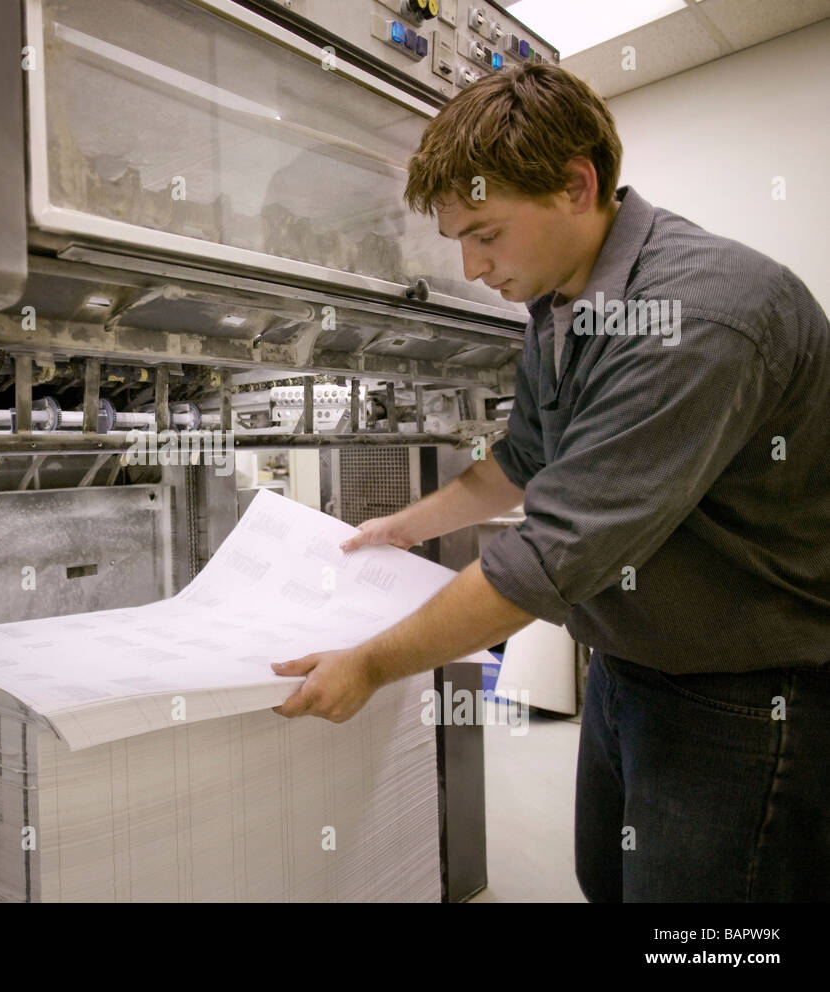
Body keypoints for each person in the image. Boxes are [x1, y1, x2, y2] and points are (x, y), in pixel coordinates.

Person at [271, 63, 830, 902]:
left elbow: (553, 556)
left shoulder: (698, 315)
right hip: (629, 663)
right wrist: (404, 528)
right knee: (609, 882)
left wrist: (371, 663)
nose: (470, 265)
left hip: (743, 692)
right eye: (458, 238)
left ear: (577, 185)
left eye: (487, 234)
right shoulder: (562, 305)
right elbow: (525, 463)